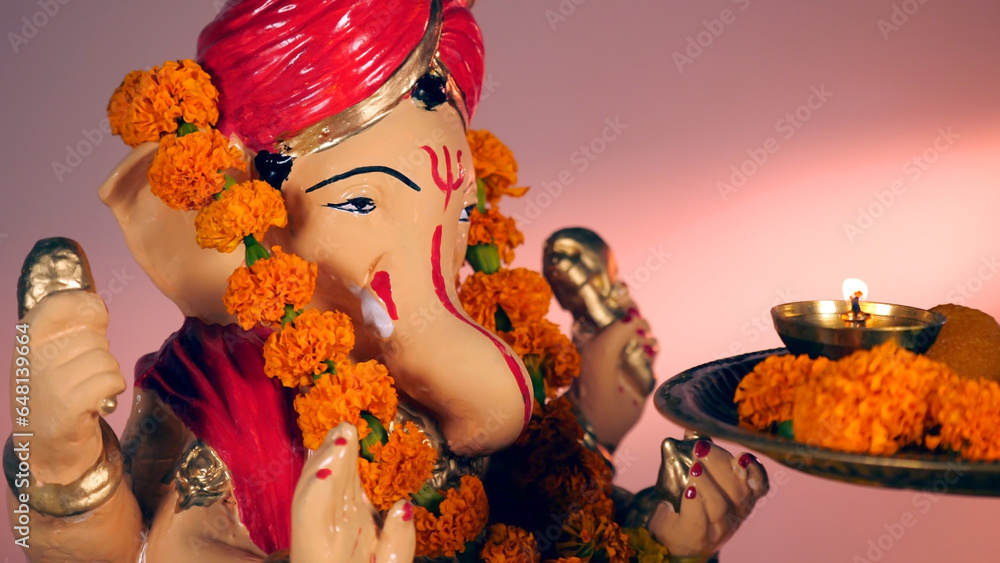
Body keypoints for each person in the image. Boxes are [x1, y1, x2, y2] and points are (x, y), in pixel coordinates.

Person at [6, 1, 766, 561]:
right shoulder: (213, 386)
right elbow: (116, 548)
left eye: (459, 208)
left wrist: (656, 529)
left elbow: (542, 523)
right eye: (364, 201)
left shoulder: (461, 337)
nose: (436, 248)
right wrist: (61, 456)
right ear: (239, 216)